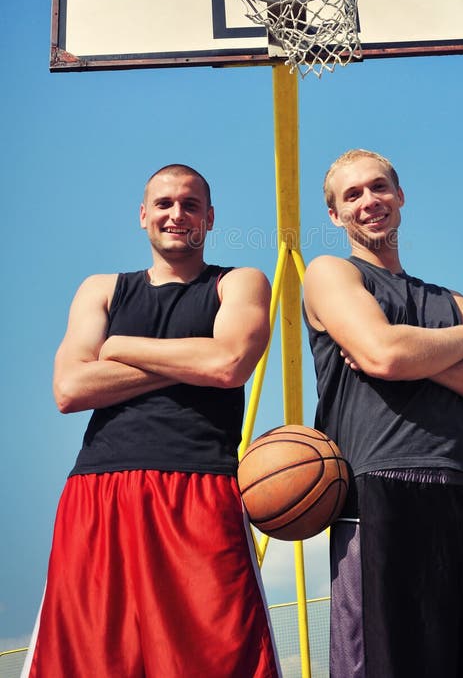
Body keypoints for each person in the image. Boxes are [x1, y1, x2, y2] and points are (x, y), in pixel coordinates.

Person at [22, 164, 281, 678]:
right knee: (91, 664)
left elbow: (229, 364)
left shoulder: (239, 282)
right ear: (143, 215)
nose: (176, 214)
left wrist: (119, 347)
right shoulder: (102, 289)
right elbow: (70, 389)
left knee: (215, 662)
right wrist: (191, 362)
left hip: (200, 488)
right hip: (97, 491)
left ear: (210, 218)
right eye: (164, 203)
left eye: (190, 204)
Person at [302, 149, 463, 678]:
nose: (369, 201)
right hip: (378, 485)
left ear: (400, 195)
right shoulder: (330, 273)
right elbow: (383, 355)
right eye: (353, 195)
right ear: (335, 215)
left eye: (379, 187)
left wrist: (414, 352)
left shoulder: (451, 299)